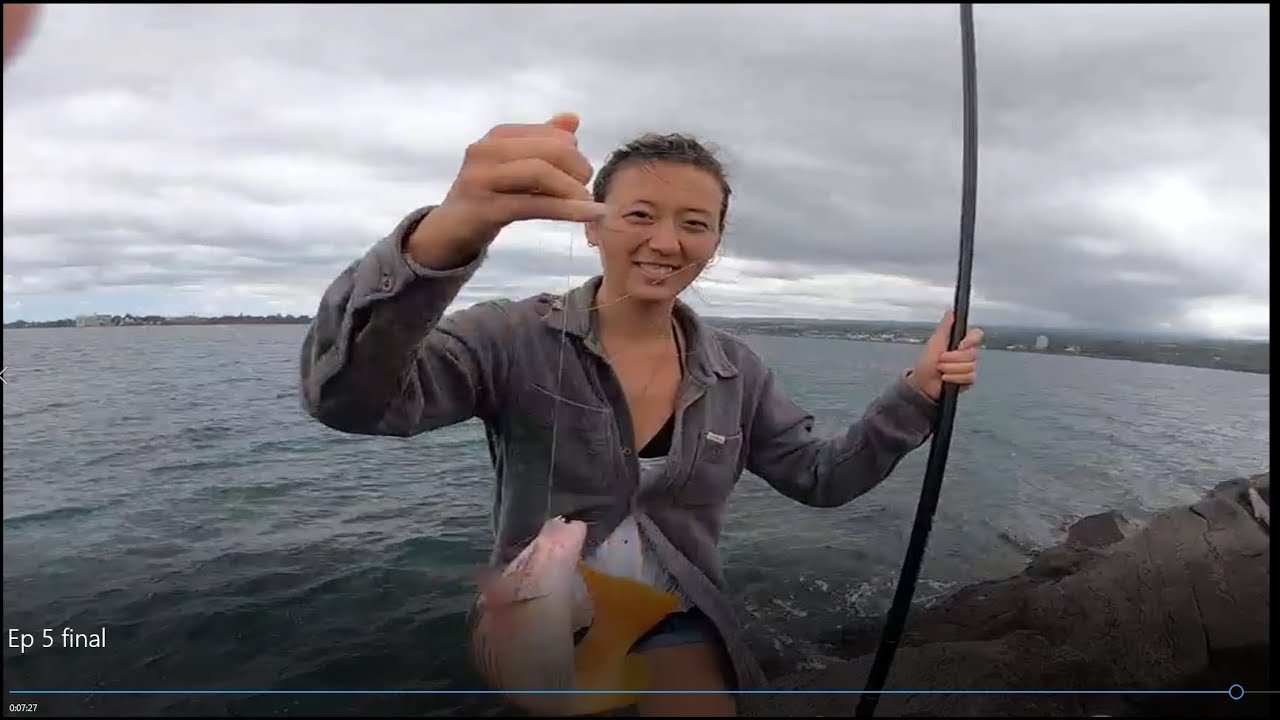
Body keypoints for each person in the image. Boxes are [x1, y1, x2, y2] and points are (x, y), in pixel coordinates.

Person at [299, 112, 983, 717]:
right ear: (593, 225)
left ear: (715, 242)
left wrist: (916, 393)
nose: (666, 241)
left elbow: (821, 478)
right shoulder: (509, 338)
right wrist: (441, 242)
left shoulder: (735, 371)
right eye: (639, 214)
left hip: (675, 611)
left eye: (695, 224)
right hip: (538, 609)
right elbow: (354, 403)